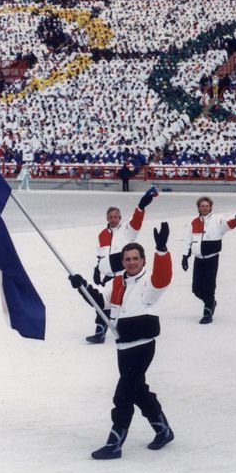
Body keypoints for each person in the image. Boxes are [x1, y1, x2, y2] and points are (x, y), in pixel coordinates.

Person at [82, 224, 175, 459]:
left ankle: (115, 444)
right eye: (127, 259)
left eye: (136, 258)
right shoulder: (117, 282)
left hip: (142, 346)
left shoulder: (150, 283)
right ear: (122, 262)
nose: (131, 262)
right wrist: (82, 287)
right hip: (123, 347)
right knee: (138, 390)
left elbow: (163, 278)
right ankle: (163, 429)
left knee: (122, 394)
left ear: (143, 261)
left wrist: (162, 250)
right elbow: (100, 303)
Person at [79, 187, 158, 343]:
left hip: (122, 276)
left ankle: (127, 328)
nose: (113, 219)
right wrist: (97, 269)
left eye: (116, 216)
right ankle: (100, 331)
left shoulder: (127, 231)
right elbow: (100, 254)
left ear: (120, 217)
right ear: (107, 218)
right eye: (111, 217)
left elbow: (136, 221)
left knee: (123, 303)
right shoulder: (102, 234)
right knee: (101, 303)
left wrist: (141, 206)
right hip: (108, 276)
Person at [181, 196, 236, 324]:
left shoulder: (218, 220)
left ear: (211, 207)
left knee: (209, 286)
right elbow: (189, 240)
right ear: (198, 208)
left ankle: (207, 312)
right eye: (202, 206)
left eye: (207, 206)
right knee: (196, 289)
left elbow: (229, 223)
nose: (205, 208)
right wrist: (185, 256)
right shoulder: (194, 222)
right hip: (198, 259)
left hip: (212, 259)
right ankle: (211, 302)